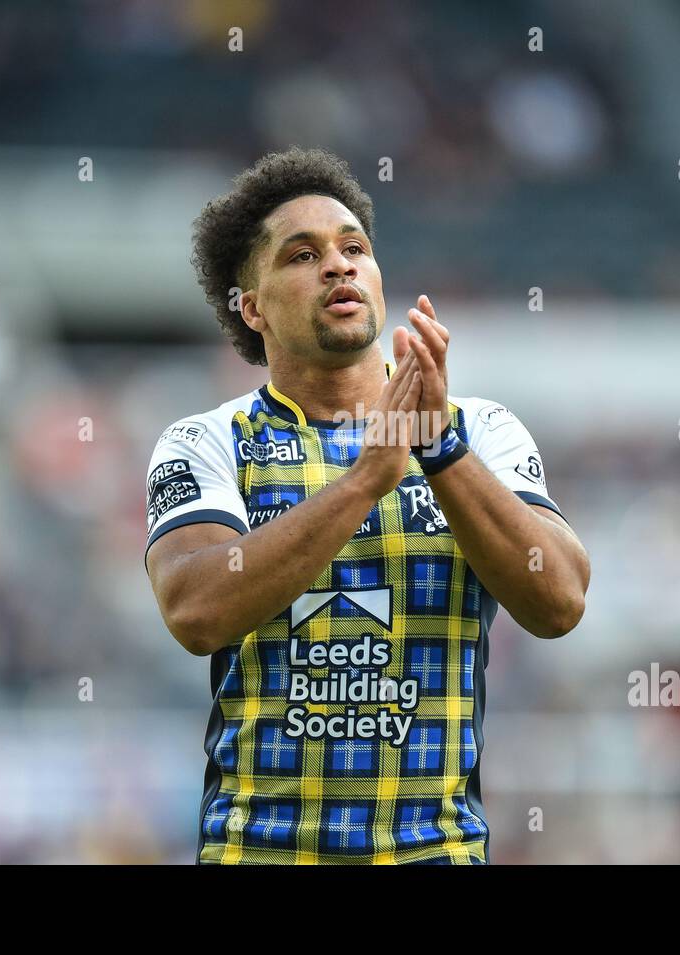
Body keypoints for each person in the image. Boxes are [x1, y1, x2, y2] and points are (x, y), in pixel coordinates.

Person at [145, 147, 590, 864]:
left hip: (434, 852)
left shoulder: (482, 432)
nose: (338, 265)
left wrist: (438, 447)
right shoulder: (208, 441)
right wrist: (362, 482)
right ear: (250, 305)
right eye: (302, 254)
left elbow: (561, 600)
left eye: (355, 247)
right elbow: (196, 611)